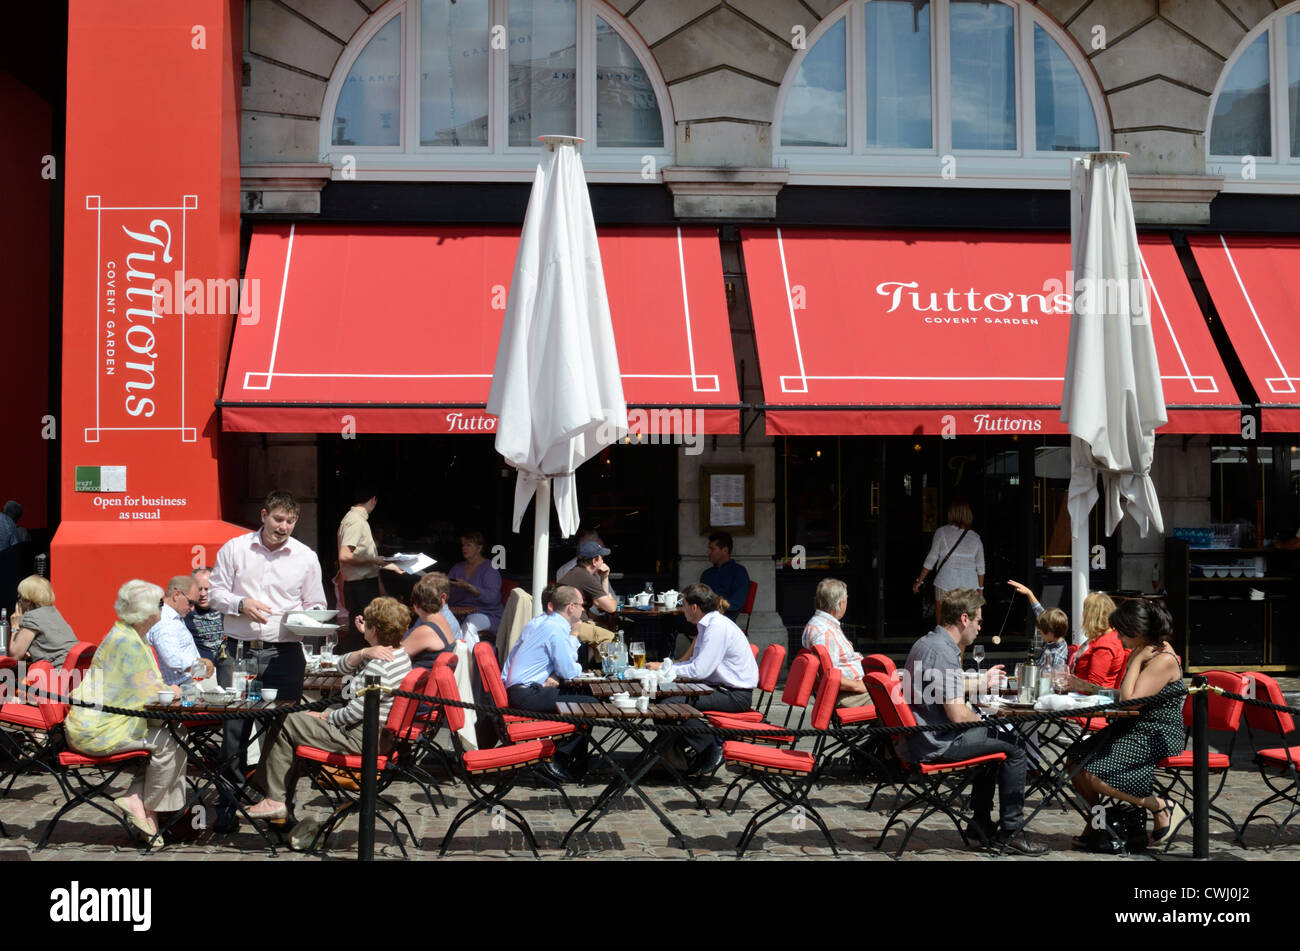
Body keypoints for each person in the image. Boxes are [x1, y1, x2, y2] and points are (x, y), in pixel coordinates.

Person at [206, 489, 327, 833]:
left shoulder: (305, 557)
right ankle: (227, 806)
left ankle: (278, 808)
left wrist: (311, 617)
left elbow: (316, 603)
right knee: (234, 731)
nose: (283, 526)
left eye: (290, 521)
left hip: (286, 652)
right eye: (278, 519)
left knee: (282, 731)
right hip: (240, 648)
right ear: (263, 515)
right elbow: (214, 594)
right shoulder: (235, 548)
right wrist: (242, 604)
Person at [899, 588, 1047, 855]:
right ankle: (1011, 831)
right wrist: (987, 722)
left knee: (994, 741)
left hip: (924, 736)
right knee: (1014, 746)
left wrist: (980, 685)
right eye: (979, 621)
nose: (981, 627)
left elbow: (941, 688)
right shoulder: (943, 652)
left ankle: (980, 824)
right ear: (964, 619)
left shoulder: (928, 643)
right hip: (937, 743)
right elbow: (957, 715)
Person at [247, 597, 414, 822]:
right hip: (370, 731)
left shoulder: (380, 665)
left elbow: (355, 712)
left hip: (362, 735)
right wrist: (365, 650)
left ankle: (274, 797)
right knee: (295, 704)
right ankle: (275, 795)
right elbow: (341, 665)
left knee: (285, 720)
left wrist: (326, 716)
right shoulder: (395, 654)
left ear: (375, 628)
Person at [64, 580, 188, 845]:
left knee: (176, 733)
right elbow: (154, 696)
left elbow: (144, 692)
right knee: (171, 740)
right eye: (159, 604)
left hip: (104, 723)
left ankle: (139, 802)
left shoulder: (128, 634)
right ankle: (150, 811)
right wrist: (174, 691)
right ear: (146, 612)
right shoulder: (127, 642)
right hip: (97, 731)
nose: (162, 607)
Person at [1068, 599, 1188, 846]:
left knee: (1093, 772)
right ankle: (1096, 819)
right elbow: (1126, 695)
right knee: (1074, 761)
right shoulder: (1143, 649)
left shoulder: (1161, 658)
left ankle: (1160, 805)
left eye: (1121, 631)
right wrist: (1090, 688)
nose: (1118, 636)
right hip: (1131, 726)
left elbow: (1130, 701)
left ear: (1139, 632)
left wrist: (1133, 661)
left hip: (1156, 732)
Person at [649, 583, 758, 776]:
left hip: (734, 694)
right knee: (659, 699)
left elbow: (700, 670)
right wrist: (665, 669)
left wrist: (666, 670)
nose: (680, 609)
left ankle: (710, 745)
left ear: (694, 607)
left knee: (667, 704)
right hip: (717, 687)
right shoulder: (707, 625)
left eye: (683, 604)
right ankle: (674, 758)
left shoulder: (716, 627)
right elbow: (694, 663)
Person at [501, 585, 592, 783]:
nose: (583, 610)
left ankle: (571, 761)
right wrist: (576, 669)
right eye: (581, 606)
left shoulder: (549, 624)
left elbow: (561, 667)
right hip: (526, 694)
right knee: (589, 704)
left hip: (525, 690)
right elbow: (568, 670)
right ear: (571, 607)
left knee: (584, 699)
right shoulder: (556, 629)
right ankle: (554, 759)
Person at [336, 488, 400, 653]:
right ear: (373, 500)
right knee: (363, 635)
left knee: (364, 633)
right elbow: (344, 555)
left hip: (361, 584)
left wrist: (386, 564)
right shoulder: (356, 521)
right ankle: (359, 672)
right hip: (360, 586)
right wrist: (374, 560)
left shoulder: (355, 519)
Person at [800, 578, 870, 707]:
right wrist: (859, 686)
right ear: (840, 603)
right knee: (899, 697)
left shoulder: (821, 624)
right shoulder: (824, 632)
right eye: (846, 599)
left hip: (851, 689)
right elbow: (830, 677)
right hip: (847, 695)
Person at [912, 500, 985, 618]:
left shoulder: (941, 532)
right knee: (965, 626)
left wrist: (919, 581)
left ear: (951, 513)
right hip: (969, 587)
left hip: (944, 584)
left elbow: (931, 559)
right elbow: (981, 568)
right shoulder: (976, 538)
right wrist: (980, 589)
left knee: (943, 625)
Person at [148, 575, 215, 686]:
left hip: (189, 682)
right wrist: (203, 664)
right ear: (176, 595)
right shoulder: (165, 621)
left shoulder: (173, 617)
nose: (192, 608)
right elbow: (172, 658)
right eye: (191, 602)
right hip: (181, 688)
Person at [556, 541, 618, 651]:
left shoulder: (577, 572)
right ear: (594, 561)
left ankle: (593, 666)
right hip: (572, 625)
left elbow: (599, 606)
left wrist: (604, 578)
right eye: (601, 558)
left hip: (564, 622)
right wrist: (613, 599)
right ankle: (609, 668)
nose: (603, 561)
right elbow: (611, 608)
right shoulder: (586, 577)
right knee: (609, 636)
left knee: (603, 627)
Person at [7, 575, 77, 668]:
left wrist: (15, 626)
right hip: (76, 669)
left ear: (28, 600)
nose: (19, 601)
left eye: (20, 597)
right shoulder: (53, 612)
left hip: (58, 673)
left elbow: (14, 656)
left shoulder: (31, 617)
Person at [447, 531, 502, 638]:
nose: (464, 548)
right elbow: (446, 591)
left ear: (479, 549)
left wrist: (468, 587)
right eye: (463, 545)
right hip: (458, 613)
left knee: (470, 624)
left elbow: (491, 597)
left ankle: (466, 655)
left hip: (487, 613)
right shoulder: (457, 567)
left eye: (468, 545)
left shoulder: (490, 568)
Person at [1069, 591, 1126, 693]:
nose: (1082, 614)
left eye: (1085, 610)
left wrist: (1068, 684)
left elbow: (1094, 685)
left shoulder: (1105, 645)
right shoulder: (1108, 636)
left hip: (1090, 699)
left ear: (1091, 615)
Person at [1007, 580, 1072, 668]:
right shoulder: (1053, 640)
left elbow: (1055, 679)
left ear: (1049, 631)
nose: (1040, 633)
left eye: (1041, 630)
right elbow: (1039, 611)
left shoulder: (1057, 656)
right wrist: (1029, 593)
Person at [403, 573, 457, 671]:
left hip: (420, 683)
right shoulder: (442, 619)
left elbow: (394, 657)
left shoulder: (426, 630)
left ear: (416, 605)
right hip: (433, 678)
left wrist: (367, 650)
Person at [700, 531, 750, 621]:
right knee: (672, 616)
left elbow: (736, 603)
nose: (708, 553)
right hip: (702, 616)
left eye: (712, 549)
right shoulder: (706, 574)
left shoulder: (738, 572)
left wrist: (711, 607)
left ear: (725, 550)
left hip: (724, 620)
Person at [184, 566, 224, 662]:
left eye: (207, 589)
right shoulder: (185, 613)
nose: (202, 594)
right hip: (202, 672)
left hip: (228, 670)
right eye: (199, 589)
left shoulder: (227, 609)